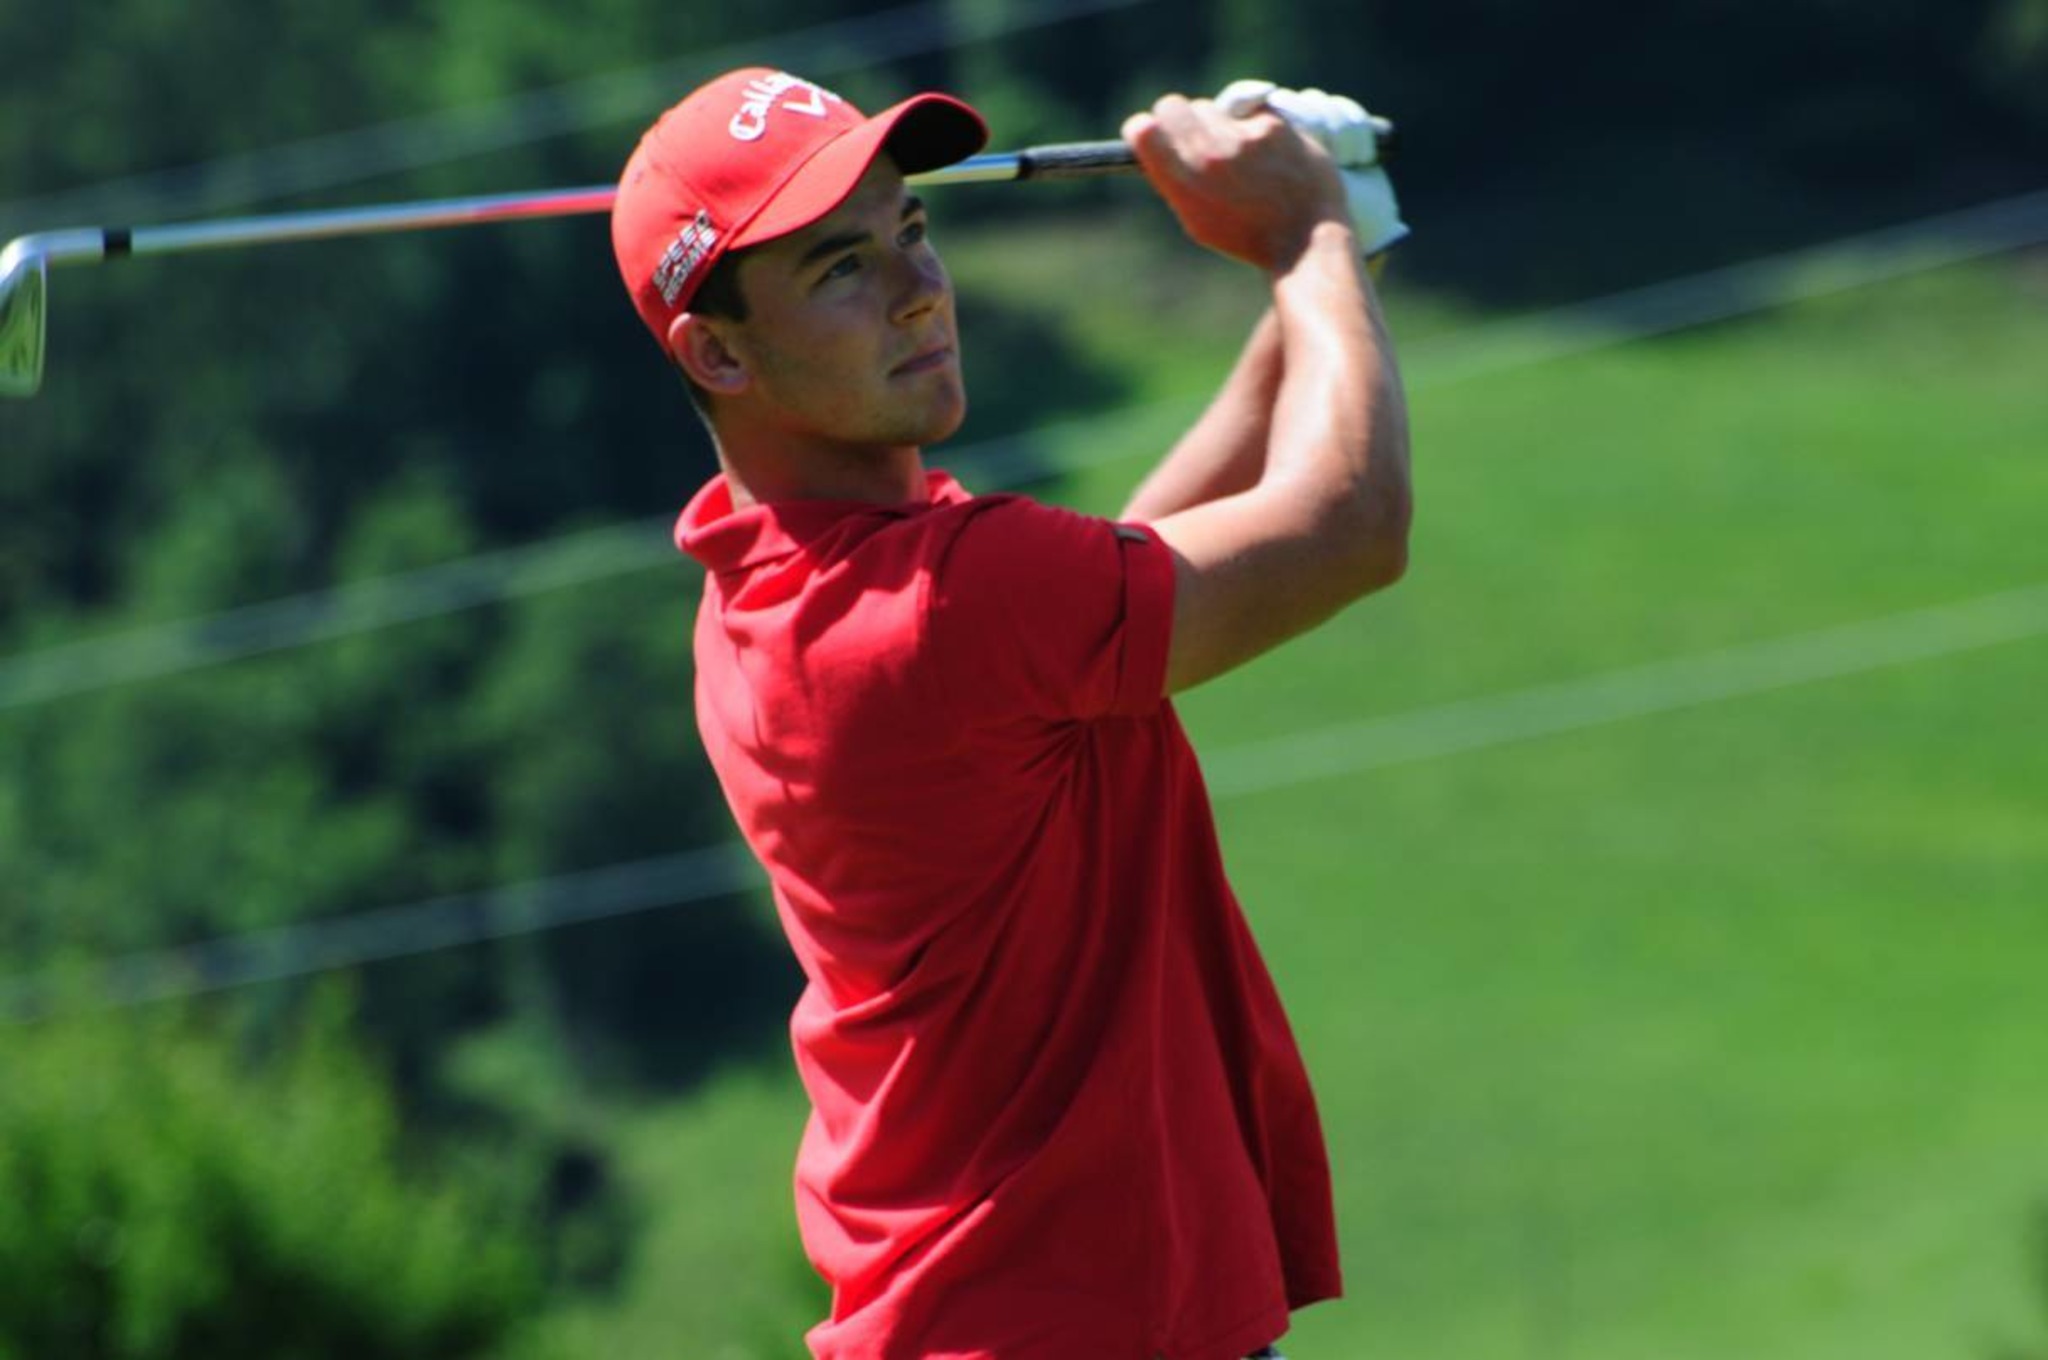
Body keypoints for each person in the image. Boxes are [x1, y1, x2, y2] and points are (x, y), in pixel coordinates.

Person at [609, 65, 1411, 1360]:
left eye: (909, 230)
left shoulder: (773, 584)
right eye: (838, 270)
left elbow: (1117, 578)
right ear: (715, 351)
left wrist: (1321, 257)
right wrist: (1309, 233)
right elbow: (1352, 528)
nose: (921, 289)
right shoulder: (940, 604)